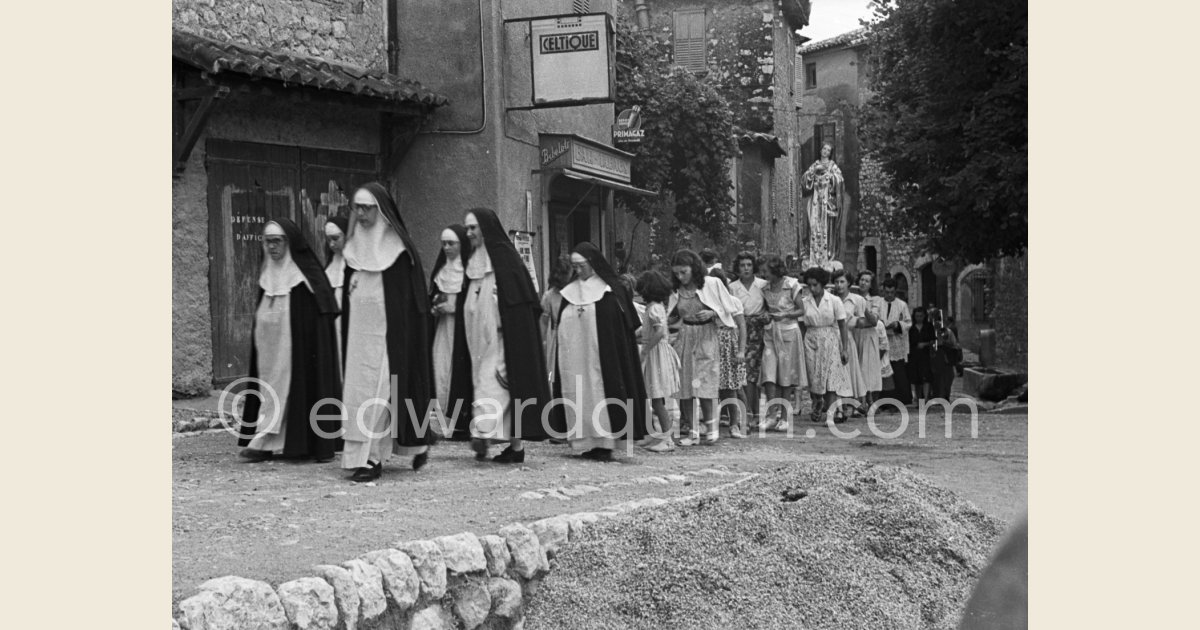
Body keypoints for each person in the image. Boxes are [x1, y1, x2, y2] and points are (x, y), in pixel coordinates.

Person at [337, 184, 434, 481]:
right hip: (357, 340)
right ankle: (368, 454)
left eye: (368, 208)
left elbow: (410, 306)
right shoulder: (352, 252)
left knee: (379, 394)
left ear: (382, 212)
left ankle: (371, 459)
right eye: (358, 208)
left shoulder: (399, 254)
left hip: (386, 340)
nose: (362, 214)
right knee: (359, 395)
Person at [238, 219, 342, 463]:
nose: (272, 247)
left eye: (277, 241)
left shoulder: (305, 279)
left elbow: (316, 319)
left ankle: (281, 442)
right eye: (268, 242)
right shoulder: (268, 274)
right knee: (269, 390)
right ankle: (266, 439)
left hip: (295, 351)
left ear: (289, 243)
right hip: (269, 351)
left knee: (295, 389)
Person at [458, 208, 552, 463]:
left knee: (492, 385)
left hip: (501, 341)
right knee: (502, 393)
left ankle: (482, 433)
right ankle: (516, 448)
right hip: (478, 341)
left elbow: (517, 307)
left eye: (473, 228)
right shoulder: (475, 259)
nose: (469, 233)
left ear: (486, 230)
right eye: (467, 229)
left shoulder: (506, 262)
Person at [553, 243, 648, 461]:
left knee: (601, 395)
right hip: (575, 357)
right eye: (574, 266)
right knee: (578, 394)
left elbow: (622, 328)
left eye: (581, 266)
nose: (577, 271)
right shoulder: (569, 292)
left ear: (593, 264)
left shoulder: (611, 291)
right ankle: (586, 441)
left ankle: (606, 443)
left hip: (602, 360)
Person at [667, 249, 743, 446]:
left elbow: (730, 309)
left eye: (684, 272)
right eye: (677, 273)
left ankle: (711, 428)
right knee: (686, 384)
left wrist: (712, 314)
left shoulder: (712, 284)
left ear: (694, 269)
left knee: (705, 383)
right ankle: (692, 432)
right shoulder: (676, 290)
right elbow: (671, 314)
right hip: (686, 335)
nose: (680, 277)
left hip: (707, 335)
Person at [428, 224, 472, 440]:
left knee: (459, 373)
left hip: (462, 334)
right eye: (443, 244)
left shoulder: (469, 271)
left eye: (451, 243)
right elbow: (433, 295)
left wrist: (453, 308)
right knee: (440, 370)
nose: (446, 247)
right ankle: (442, 422)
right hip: (443, 330)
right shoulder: (441, 270)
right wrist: (435, 307)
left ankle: (461, 424)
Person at [758, 255, 807, 432]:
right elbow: (765, 308)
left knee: (787, 376)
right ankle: (771, 414)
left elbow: (802, 310)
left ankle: (785, 417)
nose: (763, 274)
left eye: (766, 271)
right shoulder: (765, 288)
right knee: (769, 373)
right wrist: (765, 316)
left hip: (789, 333)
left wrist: (785, 315)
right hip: (771, 333)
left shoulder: (792, 285)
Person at [634, 269, 680, 453]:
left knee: (657, 399)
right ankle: (656, 434)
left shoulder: (652, 308)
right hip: (658, 353)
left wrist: (645, 349)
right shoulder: (658, 306)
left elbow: (659, 331)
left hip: (655, 355)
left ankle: (668, 439)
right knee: (654, 397)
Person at [801, 266, 853, 423]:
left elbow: (843, 324)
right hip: (811, 339)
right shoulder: (805, 302)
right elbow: (802, 325)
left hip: (830, 339)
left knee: (830, 377)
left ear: (822, 284)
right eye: (809, 285)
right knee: (814, 375)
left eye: (815, 285)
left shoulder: (834, 301)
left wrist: (845, 348)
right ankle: (817, 401)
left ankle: (830, 414)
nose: (812, 288)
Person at [727, 252, 769, 429]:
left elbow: (769, 305)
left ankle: (756, 413)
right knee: (743, 374)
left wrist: (766, 315)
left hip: (759, 331)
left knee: (755, 374)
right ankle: (747, 413)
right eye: (742, 265)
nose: (746, 268)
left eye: (749, 265)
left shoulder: (762, 285)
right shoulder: (732, 287)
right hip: (740, 330)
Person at [832, 269, 877, 416]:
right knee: (835, 375)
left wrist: (856, 322)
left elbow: (871, 321)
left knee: (850, 372)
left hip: (848, 339)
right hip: (832, 339)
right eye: (836, 282)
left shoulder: (856, 300)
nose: (839, 285)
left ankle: (857, 403)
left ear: (849, 283)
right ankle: (839, 408)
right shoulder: (831, 298)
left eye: (842, 282)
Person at [802, 142, 845, 262]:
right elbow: (805, 181)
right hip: (815, 201)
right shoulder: (815, 165)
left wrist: (830, 177)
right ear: (820, 150)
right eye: (824, 149)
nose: (825, 151)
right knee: (813, 225)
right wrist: (812, 174)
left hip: (827, 201)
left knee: (828, 227)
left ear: (830, 153)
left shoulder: (833, 166)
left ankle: (828, 254)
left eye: (828, 150)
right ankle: (813, 254)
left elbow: (840, 180)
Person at [854, 271, 886, 409]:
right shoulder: (852, 297)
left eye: (867, 281)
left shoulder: (876, 300)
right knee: (856, 368)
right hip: (855, 334)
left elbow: (873, 320)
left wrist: (864, 306)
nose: (863, 283)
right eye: (861, 279)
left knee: (865, 368)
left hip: (868, 336)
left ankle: (866, 400)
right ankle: (862, 400)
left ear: (871, 284)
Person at [879, 277, 913, 405]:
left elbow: (908, 323)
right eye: (886, 292)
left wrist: (897, 325)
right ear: (883, 291)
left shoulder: (902, 305)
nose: (889, 295)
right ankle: (885, 401)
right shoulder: (879, 303)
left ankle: (900, 400)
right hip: (882, 341)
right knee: (884, 372)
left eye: (891, 292)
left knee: (898, 373)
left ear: (895, 291)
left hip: (896, 343)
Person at [908, 307, 935, 406]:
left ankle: (926, 398)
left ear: (924, 316)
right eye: (917, 316)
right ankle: (918, 399)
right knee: (916, 378)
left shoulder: (928, 326)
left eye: (921, 316)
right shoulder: (910, 327)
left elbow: (933, 340)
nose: (919, 318)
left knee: (926, 377)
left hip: (925, 355)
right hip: (913, 355)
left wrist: (925, 344)